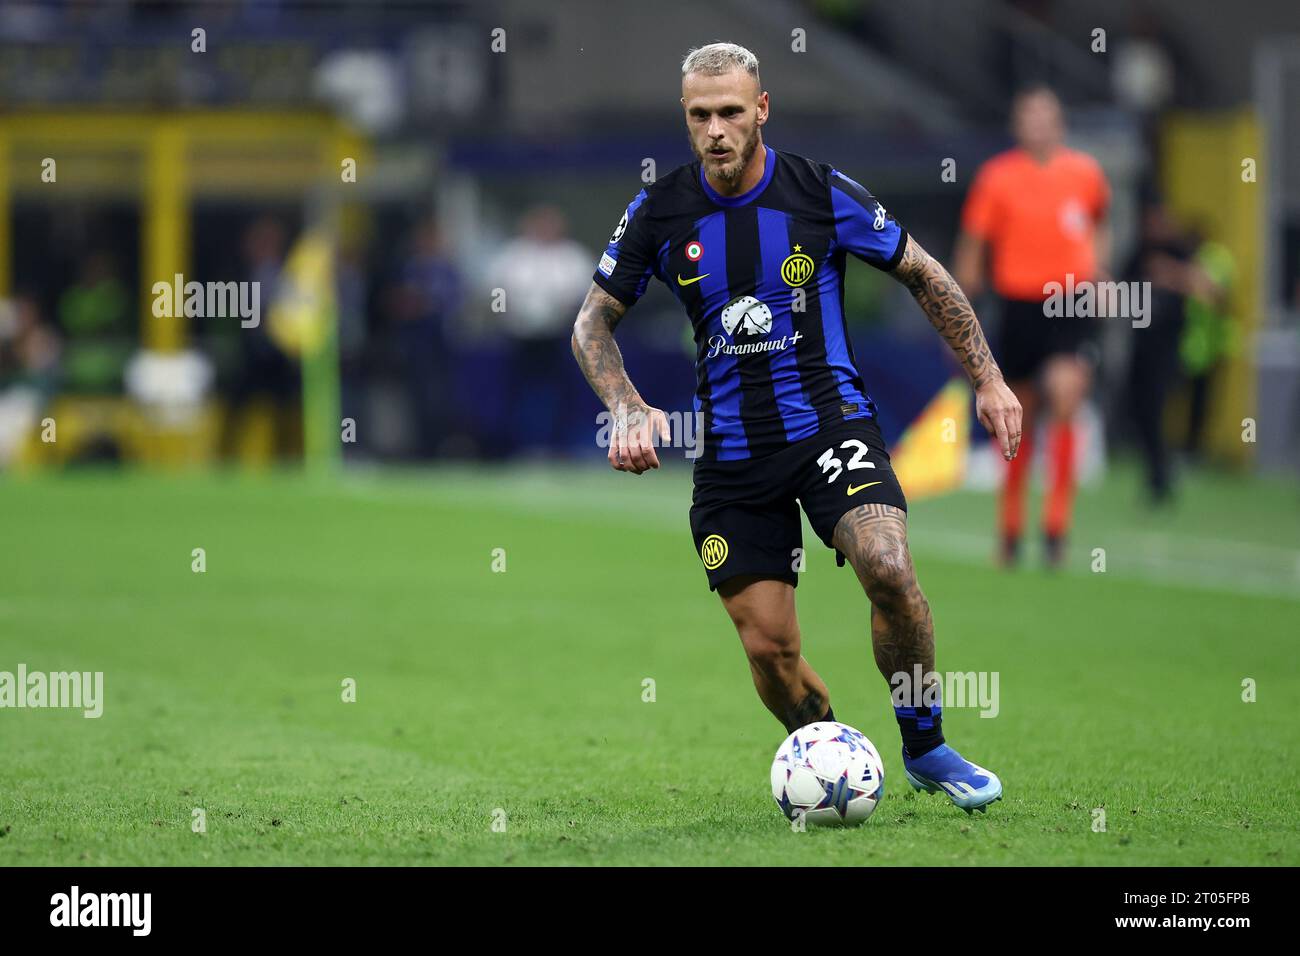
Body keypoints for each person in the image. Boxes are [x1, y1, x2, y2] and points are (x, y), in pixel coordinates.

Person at [571, 43, 1021, 814]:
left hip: (829, 429)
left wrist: (987, 377)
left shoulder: (817, 191)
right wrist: (627, 407)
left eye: (731, 113)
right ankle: (837, 763)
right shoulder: (660, 209)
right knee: (771, 653)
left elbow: (923, 271)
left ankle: (926, 746)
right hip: (731, 459)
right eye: (700, 116)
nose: (716, 131)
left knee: (886, 564)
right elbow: (591, 325)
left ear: (762, 109)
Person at [954, 85, 1110, 568]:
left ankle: (1056, 529)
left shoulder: (1085, 172)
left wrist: (1098, 269)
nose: (1038, 124)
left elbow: (1099, 222)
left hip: (1069, 300)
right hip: (1019, 304)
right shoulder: (998, 177)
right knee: (1018, 414)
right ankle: (1011, 529)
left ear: (1059, 122)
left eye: (1046, 115)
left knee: (1066, 395)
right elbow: (974, 243)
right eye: (1029, 116)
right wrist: (962, 298)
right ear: (1018, 125)